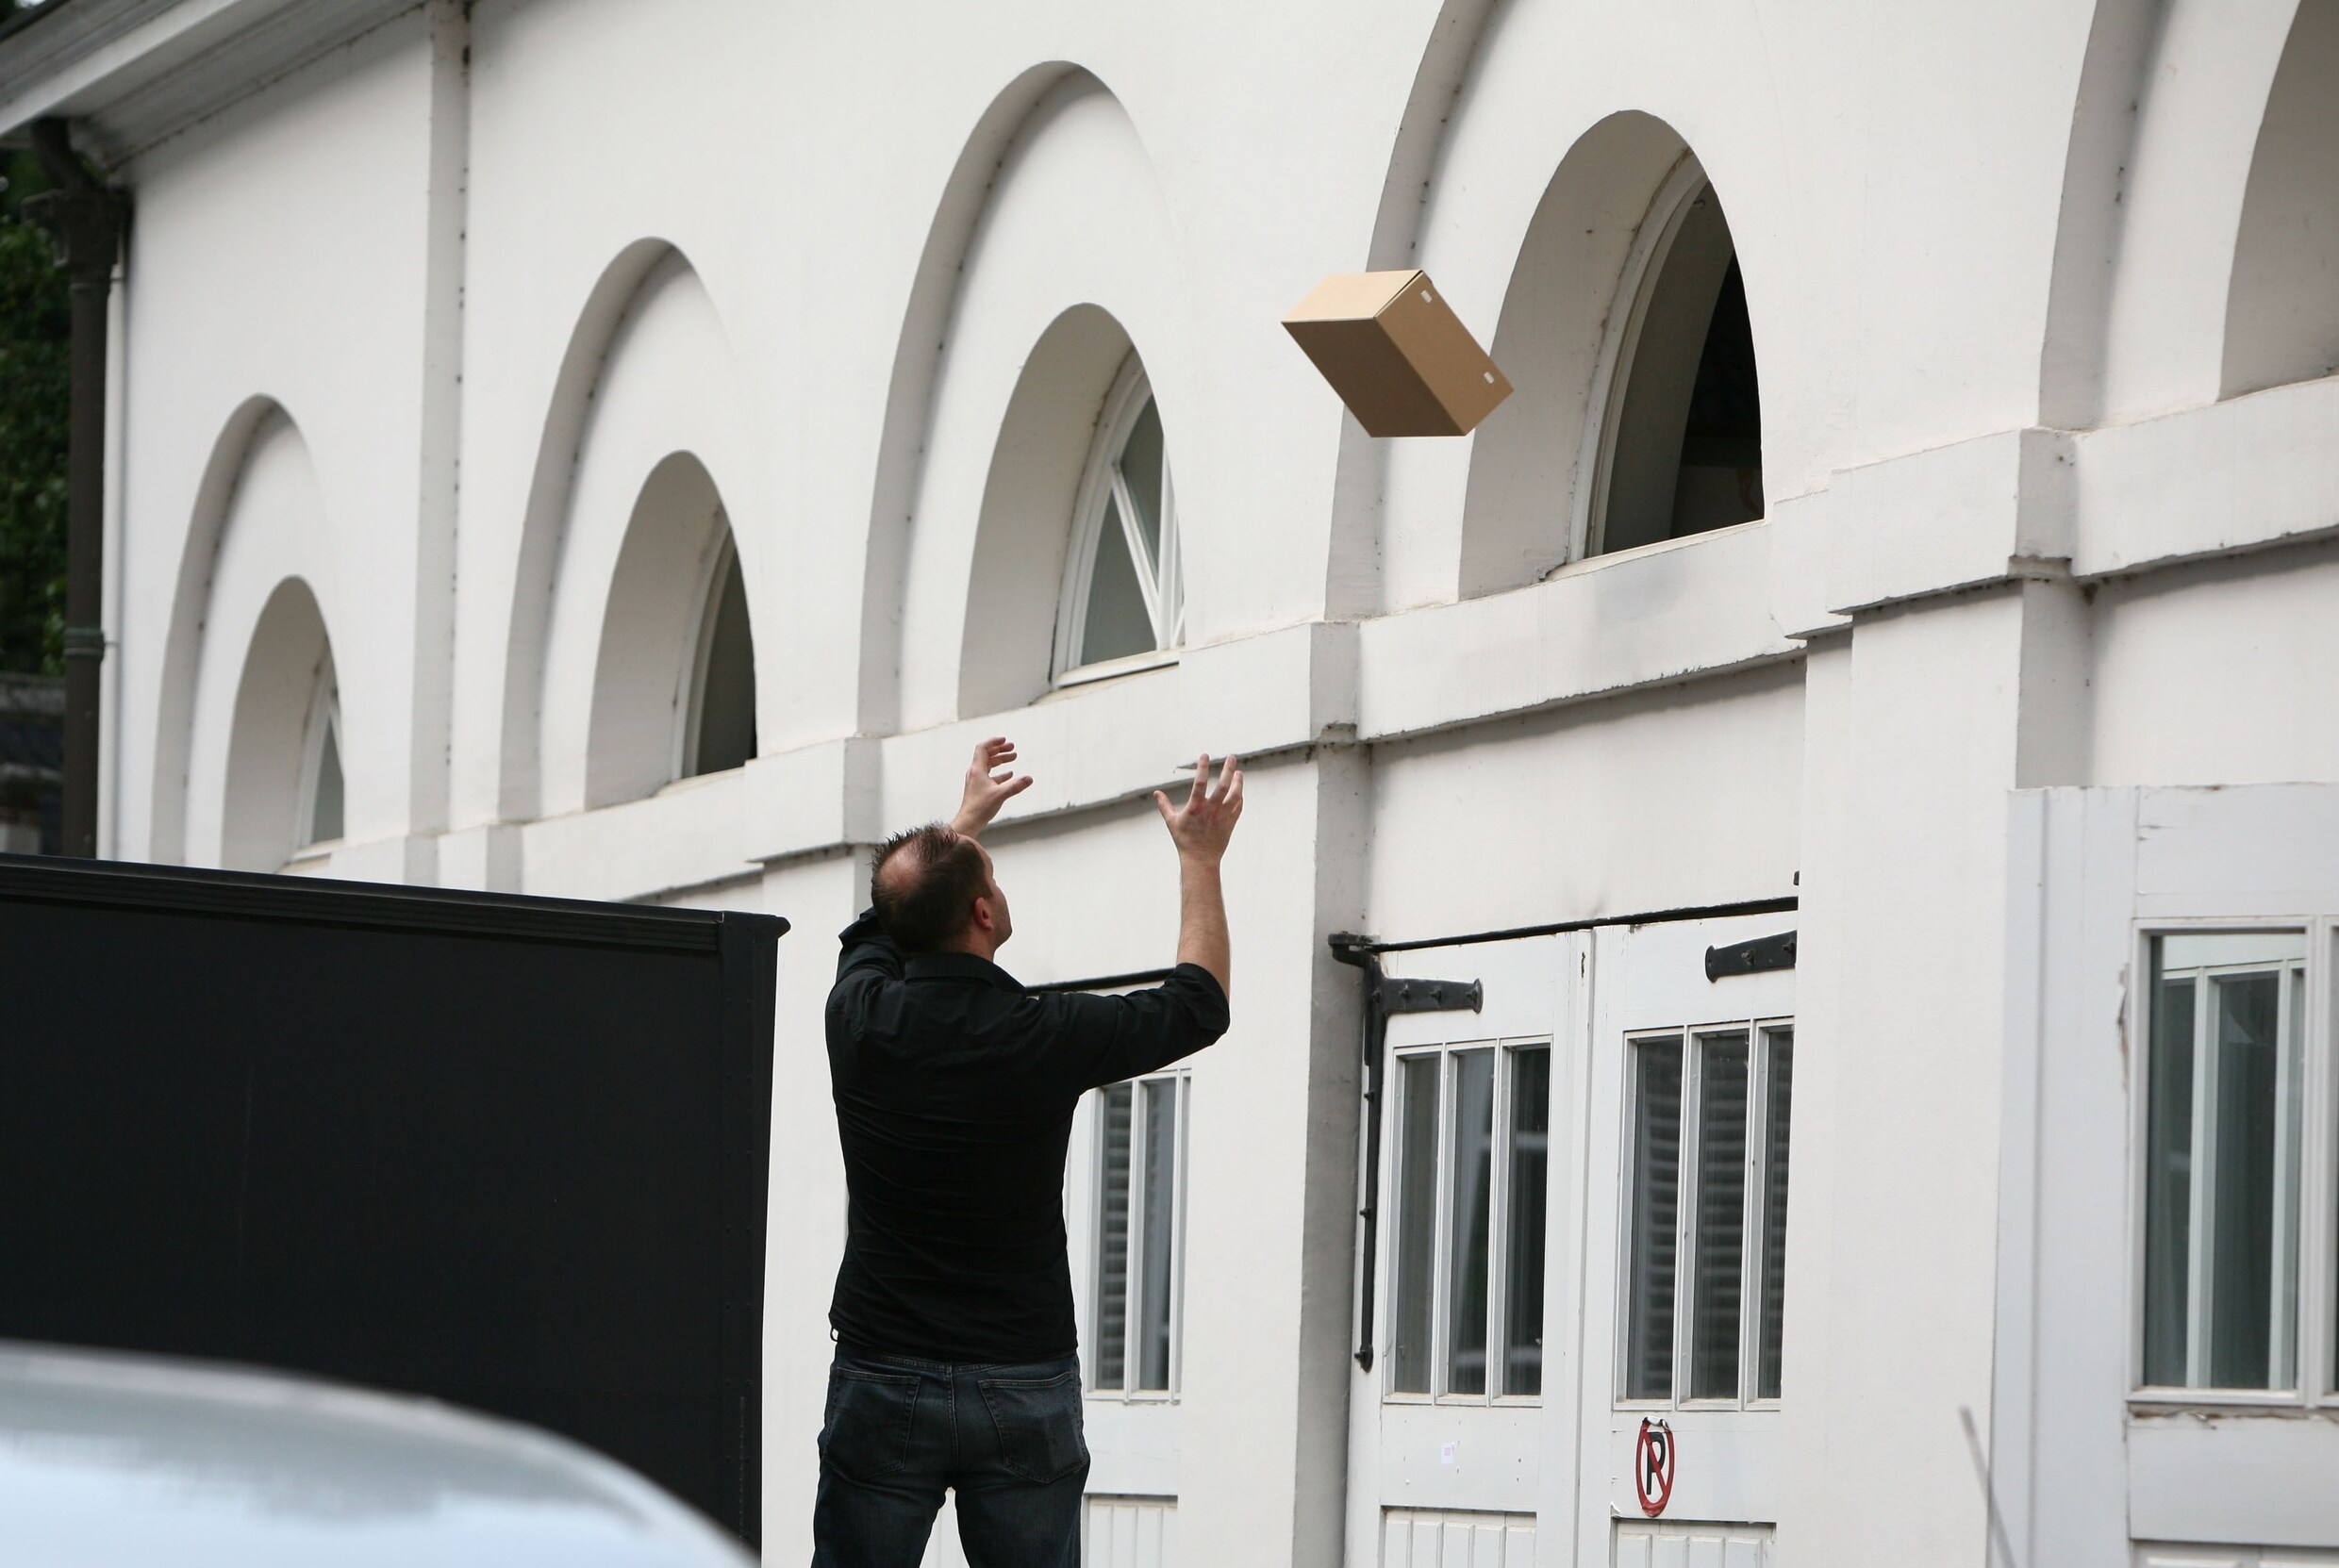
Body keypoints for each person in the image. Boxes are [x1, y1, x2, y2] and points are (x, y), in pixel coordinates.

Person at [813, 737, 1244, 1568]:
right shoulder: (1043, 1035)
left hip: (881, 1371)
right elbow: (1199, 1005)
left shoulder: (857, 1019)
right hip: (1021, 1378)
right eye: (989, 878)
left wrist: (963, 823)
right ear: (982, 913)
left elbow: (884, 918)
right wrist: (1201, 857)